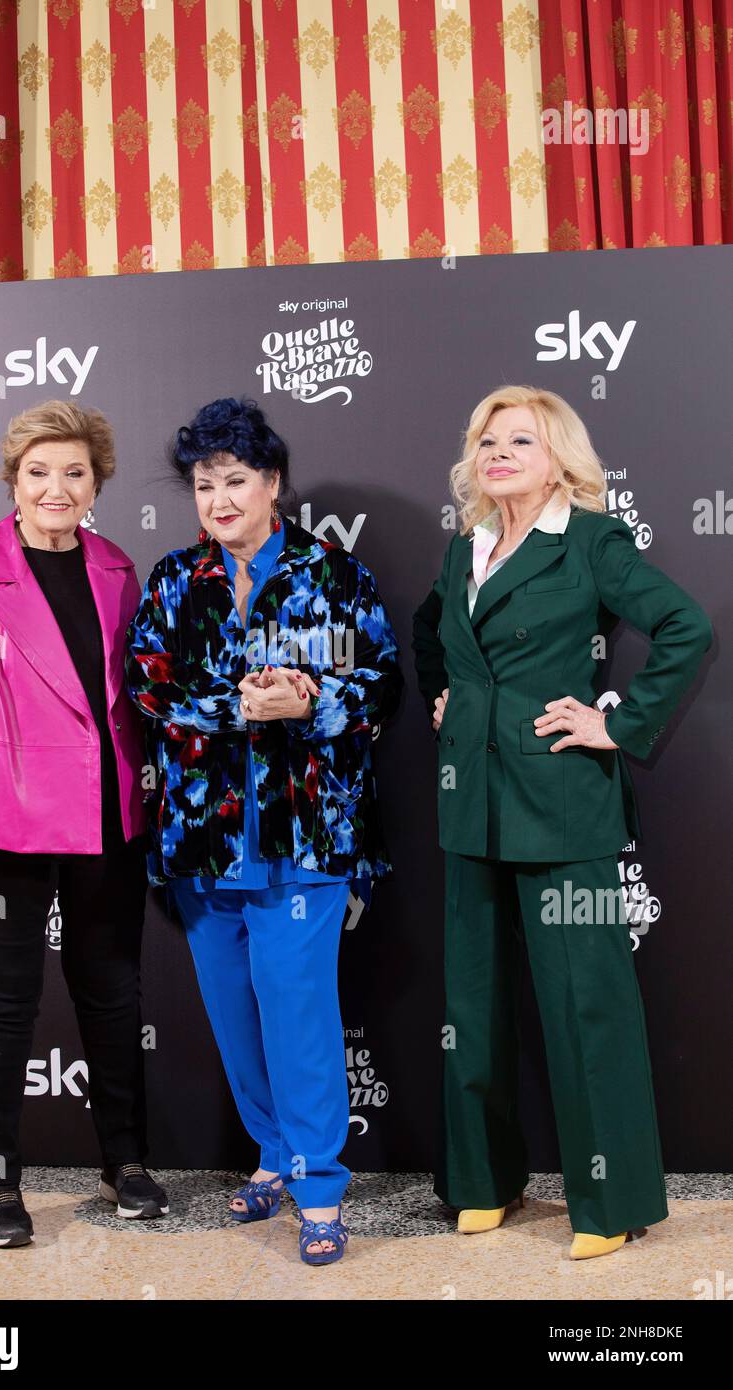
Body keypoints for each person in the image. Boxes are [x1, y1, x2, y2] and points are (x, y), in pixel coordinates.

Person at [412, 385, 712, 1260]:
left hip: (564, 810)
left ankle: (609, 1200)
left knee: (586, 1008)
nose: (499, 452)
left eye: (521, 441)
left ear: (559, 460)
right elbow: (432, 630)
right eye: (488, 440)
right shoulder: (463, 547)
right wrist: (450, 701)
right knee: (472, 1005)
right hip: (471, 805)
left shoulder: (591, 540)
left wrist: (615, 723)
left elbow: (684, 628)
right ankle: (481, 1182)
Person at [125, 396, 403, 1265]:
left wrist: (312, 700)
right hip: (204, 846)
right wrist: (243, 706)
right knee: (237, 1020)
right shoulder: (175, 579)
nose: (219, 499)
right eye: (205, 484)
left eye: (235, 480)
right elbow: (147, 686)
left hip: (307, 839)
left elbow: (381, 685)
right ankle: (275, 1154)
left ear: (272, 482)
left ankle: (321, 1186)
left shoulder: (334, 574)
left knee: (299, 1015)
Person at [0, 399, 166, 1247]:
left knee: (114, 996)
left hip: (110, 826)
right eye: (39, 472)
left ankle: (124, 1160)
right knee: (0, 1013)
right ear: (14, 482)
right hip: (5, 834)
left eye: (75, 472)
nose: (57, 488)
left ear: (97, 484)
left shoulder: (120, 569)